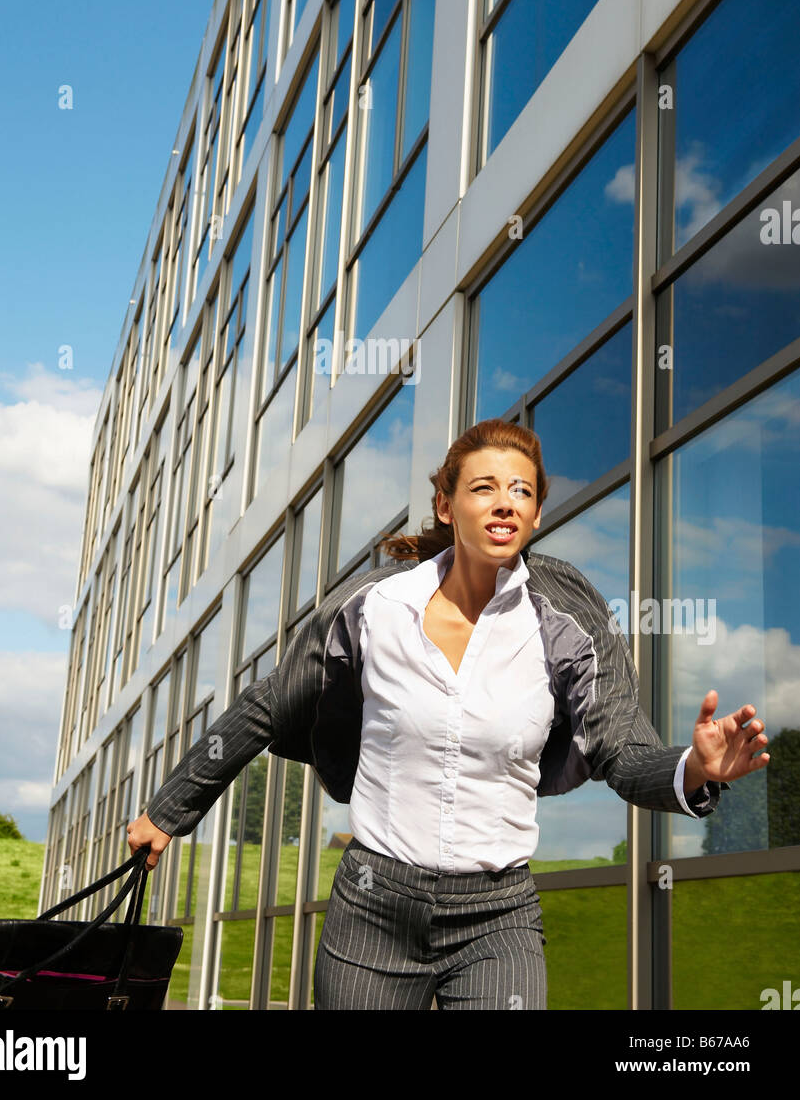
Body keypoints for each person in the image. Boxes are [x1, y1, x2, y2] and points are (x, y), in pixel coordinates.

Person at [127, 419, 769, 1010]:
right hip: (372, 908)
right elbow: (271, 704)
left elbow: (621, 748)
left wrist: (693, 770)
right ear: (446, 505)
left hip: (498, 918)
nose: (504, 501)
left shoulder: (565, 617)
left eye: (520, 491)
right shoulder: (376, 606)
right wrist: (168, 811)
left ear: (537, 513)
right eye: (484, 487)